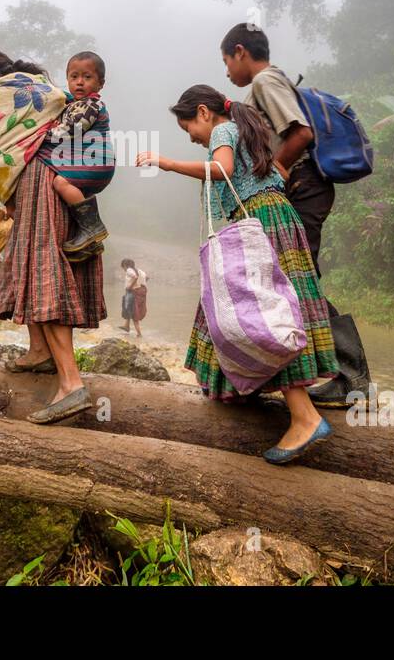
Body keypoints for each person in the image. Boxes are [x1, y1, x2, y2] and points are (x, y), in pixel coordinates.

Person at [137, 84, 339, 464]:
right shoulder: (239, 128)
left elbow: (222, 169)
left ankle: (305, 418)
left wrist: (167, 163)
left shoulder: (223, 130)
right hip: (270, 218)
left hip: (258, 220)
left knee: (261, 315)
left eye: (188, 131)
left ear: (202, 112)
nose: (194, 140)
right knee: (264, 308)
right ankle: (251, 394)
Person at [220, 22, 372, 406]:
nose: (226, 72)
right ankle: (288, 374)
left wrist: (277, 173)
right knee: (289, 278)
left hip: (302, 186)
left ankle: (351, 377)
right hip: (303, 186)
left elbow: (300, 133)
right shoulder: (273, 81)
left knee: (296, 278)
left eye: (226, 61)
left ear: (240, 52)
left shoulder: (264, 82)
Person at [0, 47, 107, 424]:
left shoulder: (4, 88)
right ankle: (39, 352)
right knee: (33, 263)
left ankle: (71, 384)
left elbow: (3, 148)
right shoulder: (43, 88)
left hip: (38, 182)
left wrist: (11, 188)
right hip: (55, 180)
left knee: (45, 272)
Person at [43, 51, 116, 258]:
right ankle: (91, 244)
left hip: (96, 162)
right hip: (92, 163)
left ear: (100, 83)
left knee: (61, 183)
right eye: (74, 77)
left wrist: (42, 135)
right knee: (77, 191)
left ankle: (91, 228)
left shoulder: (92, 105)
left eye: (87, 77)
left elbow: (70, 131)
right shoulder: (76, 103)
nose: (80, 82)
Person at [118, 258, 147, 337]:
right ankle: (126, 326)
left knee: (133, 312)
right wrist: (139, 285)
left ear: (125, 265)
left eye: (123, 267)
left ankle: (139, 334)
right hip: (140, 292)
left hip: (132, 292)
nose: (123, 269)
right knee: (129, 309)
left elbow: (135, 277)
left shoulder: (129, 270)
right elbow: (146, 278)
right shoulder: (140, 271)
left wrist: (130, 286)